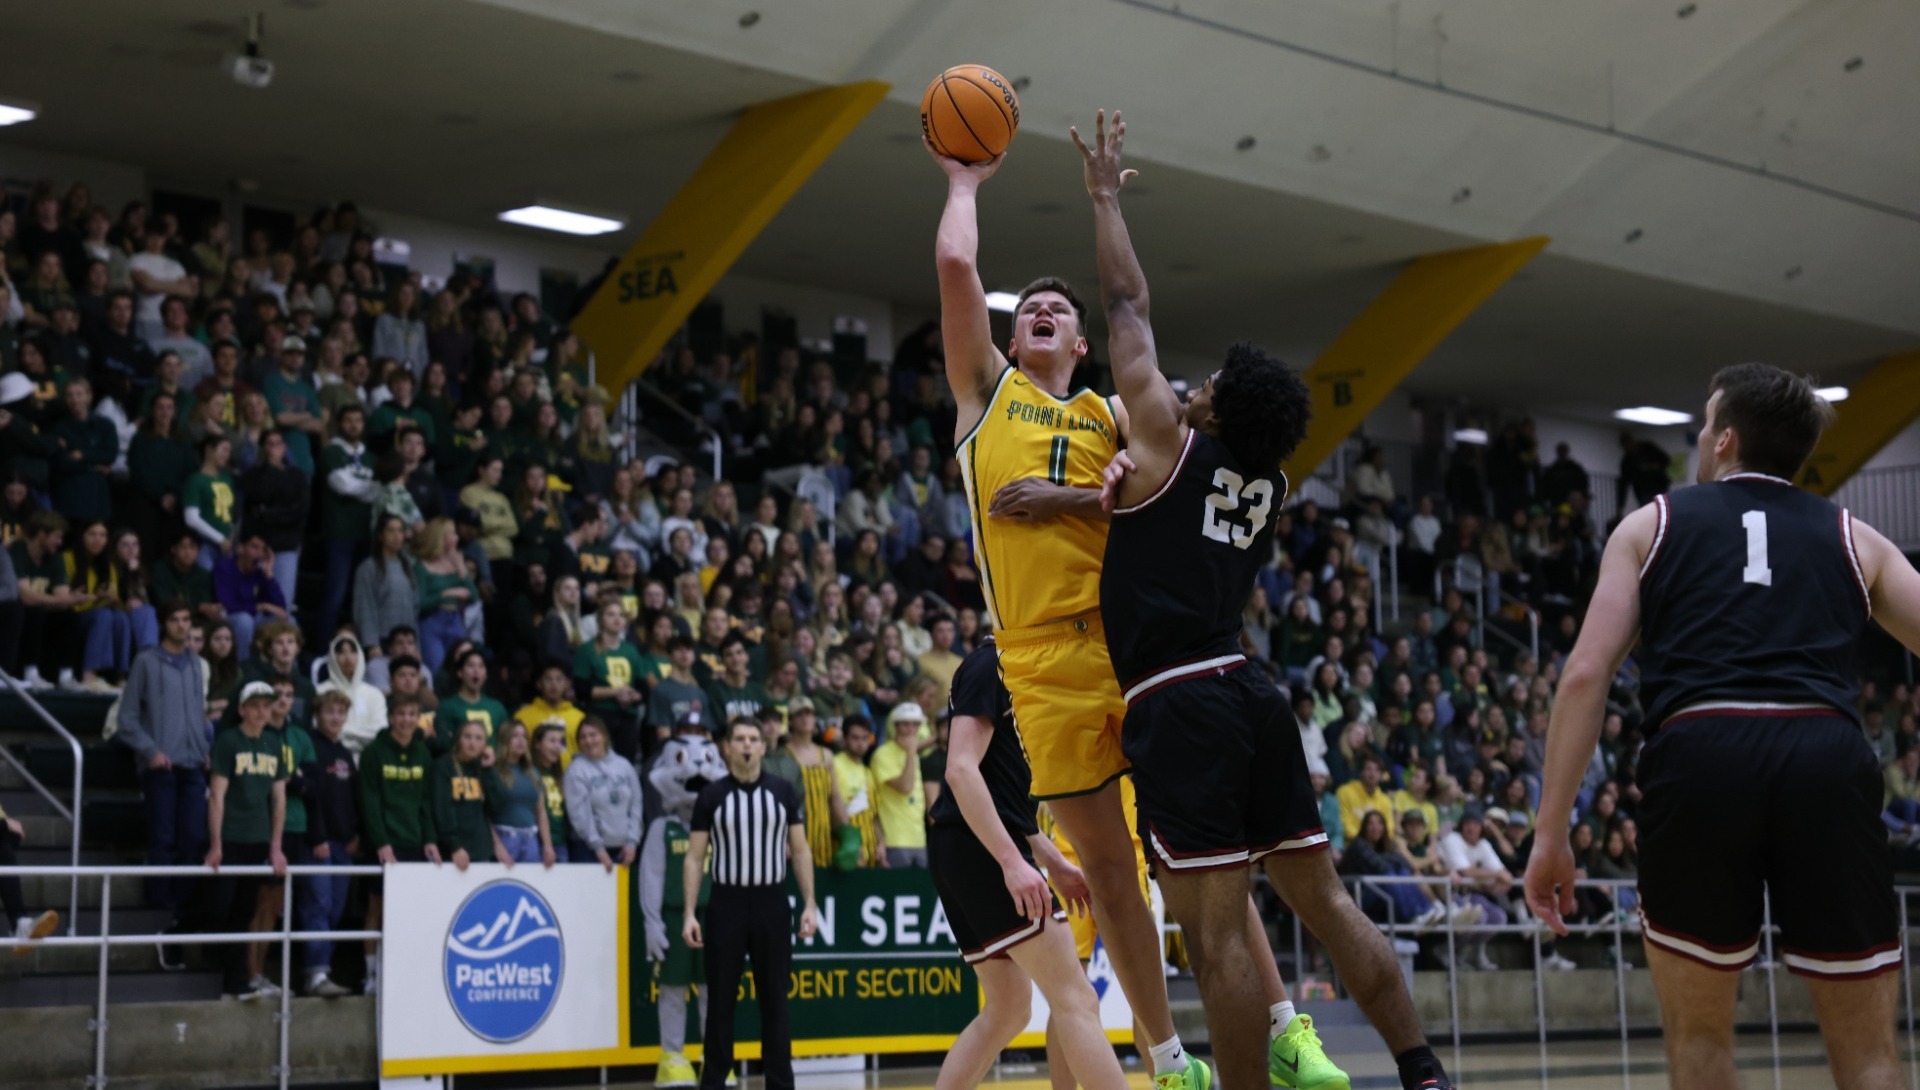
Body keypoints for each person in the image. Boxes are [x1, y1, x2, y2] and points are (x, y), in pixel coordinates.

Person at [1076, 112, 1444, 1090]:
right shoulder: (1269, 485)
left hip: (1183, 698)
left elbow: (1124, 307)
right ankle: (1423, 1069)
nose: (1191, 386)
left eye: (1211, 385)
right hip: (1251, 688)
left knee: (1215, 930)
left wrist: (1107, 198)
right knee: (1323, 901)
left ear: (1219, 412)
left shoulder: (1165, 439)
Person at [1527, 363, 1920, 1090]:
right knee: (1870, 1057)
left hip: (1701, 751)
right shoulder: (1856, 537)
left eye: (1706, 425)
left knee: (1702, 1048)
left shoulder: (1652, 523)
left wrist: (1551, 833)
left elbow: (1585, 675)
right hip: (1825, 756)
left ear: (1727, 440)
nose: (1701, 437)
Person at [927, 113, 1210, 1090]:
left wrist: (1119, 475)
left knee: (1192, 855)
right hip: (1042, 662)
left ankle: (1272, 1019)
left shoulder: (1108, 412)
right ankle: (1166, 1062)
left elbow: (1178, 443)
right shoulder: (987, 397)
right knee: (1082, 958)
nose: (1040, 309)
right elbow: (957, 276)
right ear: (1013, 337)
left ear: (1082, 341)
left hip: (1131, 650)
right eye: (1027, 308)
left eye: (1057, 306)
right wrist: (965, 185)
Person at [931, 636, 1125, 1090]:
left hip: (967, 844)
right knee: (1076, 997)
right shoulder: (987, 666)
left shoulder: (1024, 671)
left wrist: (1050, 859)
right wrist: (1011, 862)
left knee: (1009, 1006)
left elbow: (1005, 798)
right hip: (979, 845)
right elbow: (960, 769)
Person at [683, 718, 819, 1090]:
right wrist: (690, 912)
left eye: (753, 739)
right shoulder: (710, 796)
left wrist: (810, 903)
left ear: (763, 746)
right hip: (725, 903)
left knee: (775, 999)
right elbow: (694, 858)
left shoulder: (783, 791)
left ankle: (780, 1083)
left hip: (771, 902)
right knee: (720, 1000)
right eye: (739, 738)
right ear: (726, 747)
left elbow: (801, 849)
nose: (746, 745)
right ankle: (713, 1081)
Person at [113, 602, 207, 963]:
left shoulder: (196, 664)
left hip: (193, 762)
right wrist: (150, 750)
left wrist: (203, 746)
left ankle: (181, 911)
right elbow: (127, 719)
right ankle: (159, 908)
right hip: (160, 765)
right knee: (163, 837)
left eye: (187, 619)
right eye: (176, 619)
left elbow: (197, 714)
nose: (182, 625)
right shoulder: (146, 662)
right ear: (164, 624)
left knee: (193, 839)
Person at [203, 681, 289, 1000]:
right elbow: (217, 796)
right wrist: (216, 845)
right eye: (254, 705)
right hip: (229, 838)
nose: (261, 711)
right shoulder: (228, 741)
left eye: (266, 705)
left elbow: (279, 799)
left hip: (257, 840)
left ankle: (235, 983)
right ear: (241, 709)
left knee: (244, 912)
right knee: (220, 908)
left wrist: (276, 846)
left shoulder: (273, 743)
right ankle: (220, 974)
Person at [356, 693, 441, 994]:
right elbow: (370, 801)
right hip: (384, 844)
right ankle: (371, 976)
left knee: (407, 913)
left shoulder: (423, 754)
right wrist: (381, 842)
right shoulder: (374, 753)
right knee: (376, 910)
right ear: (391, 717)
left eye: (412, 713)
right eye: (401, 714)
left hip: (414, 843)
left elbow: (425, 803)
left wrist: (430, 839)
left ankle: (402, 974)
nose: (406, 720)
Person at [300, 690, 359, 998]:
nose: (335, 717)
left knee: (334, 911)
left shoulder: (345, 753)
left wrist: (356, 834)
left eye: (340, 712)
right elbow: (310, 797)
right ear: (317, 714)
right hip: (317, 844)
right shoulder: (309, 747)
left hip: (343, 844)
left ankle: (323, 970)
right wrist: (317, 837)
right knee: (318, 907)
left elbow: (354, 798)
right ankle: (316, 973)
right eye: (329, 712)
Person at [237, 430, 310, 611]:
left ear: (284, 447)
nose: (274, 448)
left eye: (278, 443)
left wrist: (267, 513)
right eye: (269, 443)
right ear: (262, 448)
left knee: (281, 602)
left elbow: (299, 511)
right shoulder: (253, 475)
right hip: (258, 545)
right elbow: (254, 504)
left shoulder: (297, 476)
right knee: (255, 600)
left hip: (287, 543)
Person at [564, 716, 643, 873]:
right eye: (583, 737)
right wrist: (597, 847)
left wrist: (632, 841)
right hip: (589, 850)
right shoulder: (576, 770)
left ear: (604, 736)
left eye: (593, 735)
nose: (588, 740)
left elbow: (636, 804)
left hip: (624, 850)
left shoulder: (624, 765)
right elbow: (579, 813)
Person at [433, 719, 509, 870]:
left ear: (486, 744)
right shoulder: (443, 766)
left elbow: (496, 808)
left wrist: (489, 770)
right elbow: (442, 810)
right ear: (458, 739)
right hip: (452, 850)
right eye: (467, 737)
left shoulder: (483, 767)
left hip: (482, 850)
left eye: (479, 738)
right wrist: (455, 846)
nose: (472, 743)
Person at [576, 598, 646, 757]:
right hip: (600, 715)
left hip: (628, 715)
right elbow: (581, 689)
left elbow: (642, 686)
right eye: (611, 614)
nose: (617, 619)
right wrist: (616, 692)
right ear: (600, 619)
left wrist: (633, 696)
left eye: (621, 615)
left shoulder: (631, 650)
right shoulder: (587, 650)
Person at [491, 721, 558, 866]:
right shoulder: (493, 771)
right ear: (504, 739)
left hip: (531, 839)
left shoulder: (532, 772)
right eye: (515, 735)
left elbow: (541, 812)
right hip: (505, 837)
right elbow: (484, 814)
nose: (521, 740)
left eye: (524, 736)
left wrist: (547, 845)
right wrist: (496, 844)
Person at [871, 702, 930, 867]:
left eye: (915, 724)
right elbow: (905, 787)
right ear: (895, 726)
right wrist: (911, 752)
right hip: (894, 839)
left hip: (918, 839)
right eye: (905, 724)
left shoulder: (913, 755)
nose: (911, 729)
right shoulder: (882, 754)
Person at [831, 716, 885, 868]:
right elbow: (833, 808)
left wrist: (881, 843)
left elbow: (873, 814)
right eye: (855, 738)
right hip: (845, 849)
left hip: (870, 851)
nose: (860, 743)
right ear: (844, 739)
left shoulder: (867, 771)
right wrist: (851, 845)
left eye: (864, 738)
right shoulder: (835, 764)